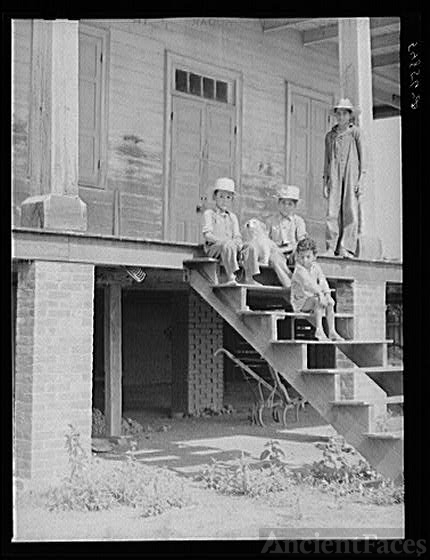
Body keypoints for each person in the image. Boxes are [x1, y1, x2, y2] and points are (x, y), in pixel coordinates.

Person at [322, 98, 365, 258]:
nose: (341, 117)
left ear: (349, 116)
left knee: (350, 209)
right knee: (332, 211)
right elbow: (326, 160)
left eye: (344, 114)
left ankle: (346, 247)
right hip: (334, 174)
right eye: (338, 114)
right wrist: (325, 180)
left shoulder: (355, 133)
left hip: (351, 173)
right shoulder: (330, 136)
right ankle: (331, 247)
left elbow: (363, 158)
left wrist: (361, 179)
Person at [202, 177, 260, 286]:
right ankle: (230, 276)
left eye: (228, 197)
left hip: (231, 247)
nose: (224, 200)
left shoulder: (232, 217)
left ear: (232, 199)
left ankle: (250, 277)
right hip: (215, 248)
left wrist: (238, 244)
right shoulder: (209, 214)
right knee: (228, 244)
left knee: (250, 246)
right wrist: (224, 241)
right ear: (215, 197)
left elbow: (237, 236)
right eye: (221, 196)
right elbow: (208, 235)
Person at [291, 236, 344, 341]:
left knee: (330, 302)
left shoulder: (316, 267)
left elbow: (322, 281)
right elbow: (309, 285)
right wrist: (320, 294)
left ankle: (332, 331)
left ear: (314, 256)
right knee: (318, 300)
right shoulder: (299, 270)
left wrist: (327, 294)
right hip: (301, 302)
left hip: (313, 297)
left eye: (308, 257)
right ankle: (319, 331)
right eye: (301, 257)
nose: (304, 260)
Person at [266, 185, 307, 266]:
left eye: (290, 204)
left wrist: (293, 249)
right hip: (277, 252)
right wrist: (274, 248)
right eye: (283, 203)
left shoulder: (298, 221)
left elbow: (301, 241)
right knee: (276, 260)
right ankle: (285, 278)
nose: (286, 206)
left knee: (300, 259)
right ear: (278, 203)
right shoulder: (271, 221)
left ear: (295, 206)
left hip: (292, 252)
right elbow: (266, 240)